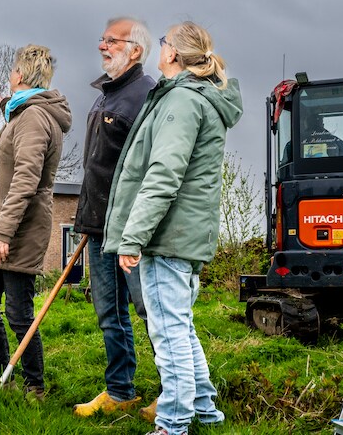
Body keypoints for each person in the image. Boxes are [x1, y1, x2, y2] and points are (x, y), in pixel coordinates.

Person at [104, 22, 243, 435]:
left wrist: (134, 237)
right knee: (179, 327)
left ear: (173, 55)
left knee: (169, 336)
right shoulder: (191, 97)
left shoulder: (181, 100)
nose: (160, 47)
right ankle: (205, 411)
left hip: (168, 237)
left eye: (163, 42)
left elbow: (164, 173)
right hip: (181, 235)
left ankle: (173, 423)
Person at [0, 45, 72, 397]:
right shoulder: (24, 114)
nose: (9, 75)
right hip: (3, 229)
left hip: (16, 232)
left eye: (12, 71)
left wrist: (3, 232)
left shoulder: (32, 118)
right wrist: (7, 107)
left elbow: (26, 178)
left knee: (19, 313)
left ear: (21, 77)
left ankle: (34, 385)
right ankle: (2, 374)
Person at [72, 18, 157, 418]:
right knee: (110, 313)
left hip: (130, 228)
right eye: (101, 39)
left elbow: (149, 169)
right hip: (98, 224)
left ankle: (175, 394)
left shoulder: (146, 96)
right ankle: (120, 390)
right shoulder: (105, 94)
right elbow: (97, 164)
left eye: (112, 40)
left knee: (149, 309)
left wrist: (139, 229)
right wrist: (87, 218)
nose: (102, 46)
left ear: (135, 50)